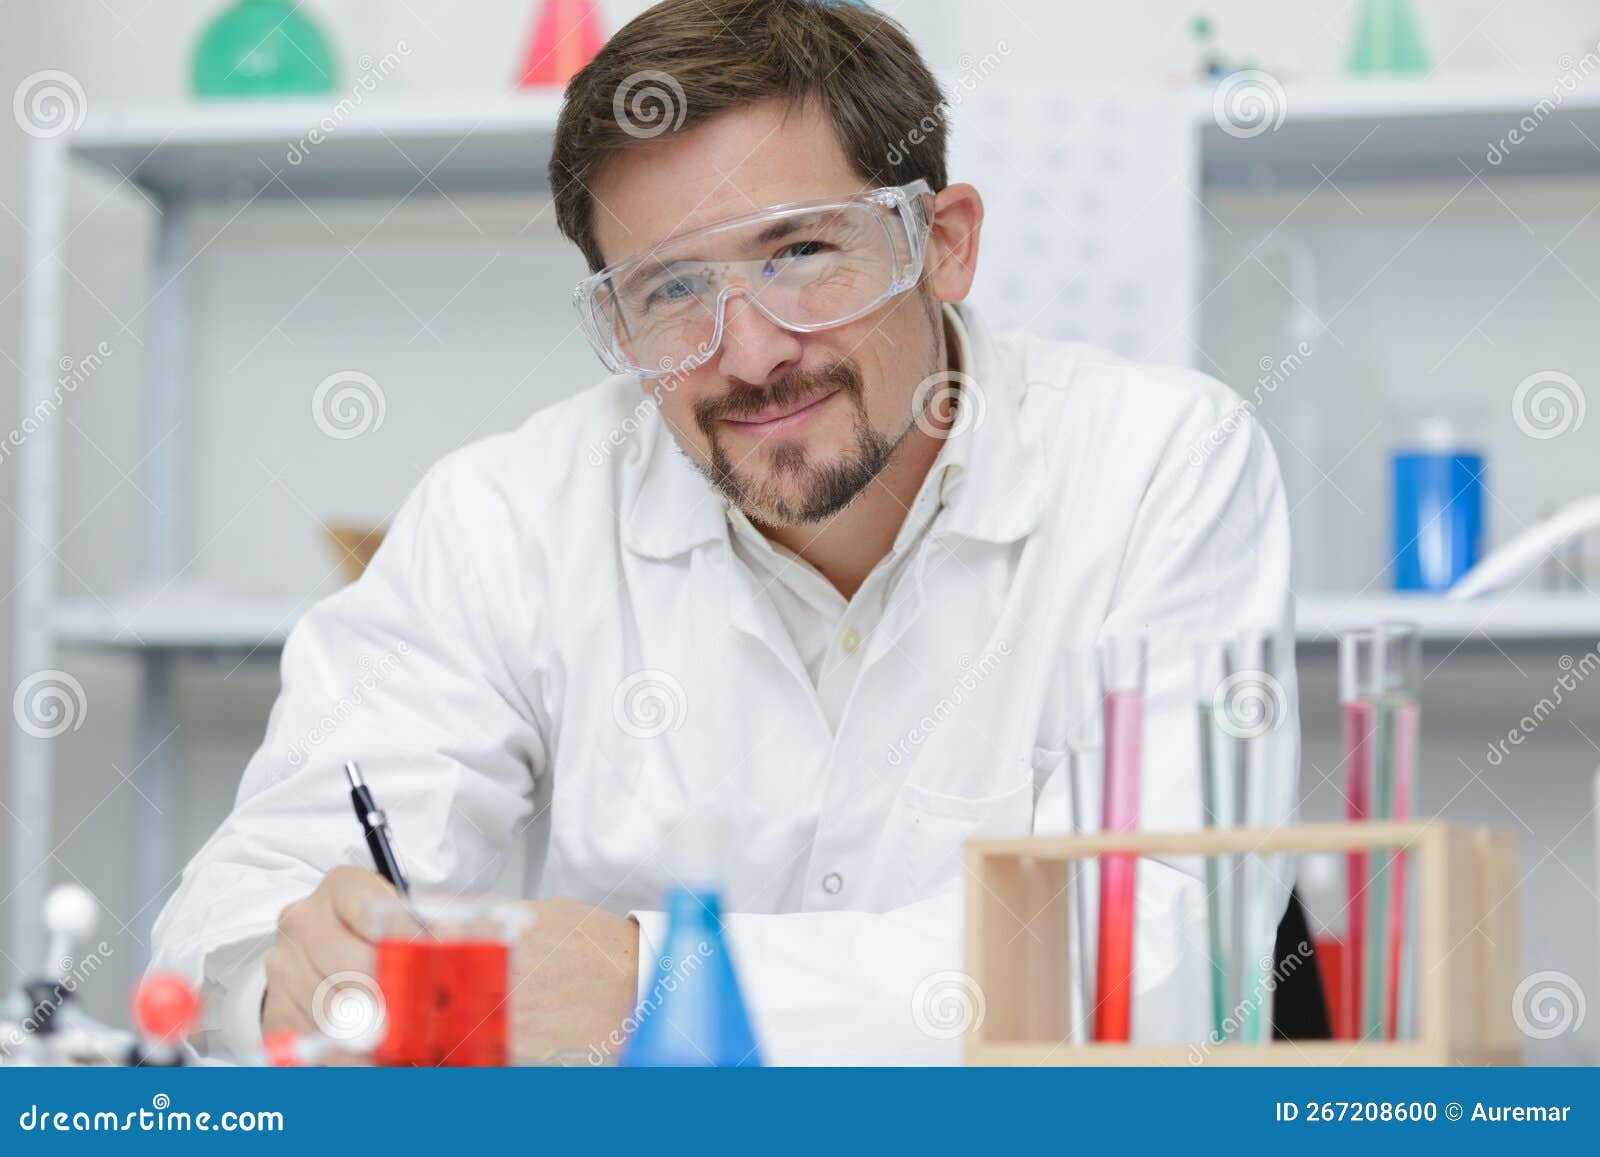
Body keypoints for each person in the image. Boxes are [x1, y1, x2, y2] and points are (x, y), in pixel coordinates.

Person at [151, 0, 1297, 1064]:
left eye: (798, 252)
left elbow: (1177, 955)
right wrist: (297, 977)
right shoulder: (505, 513)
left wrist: (654, 981)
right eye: (669, 290)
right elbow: (238, 915)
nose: (748, 353)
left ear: (941, 241)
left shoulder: (1157, 461)